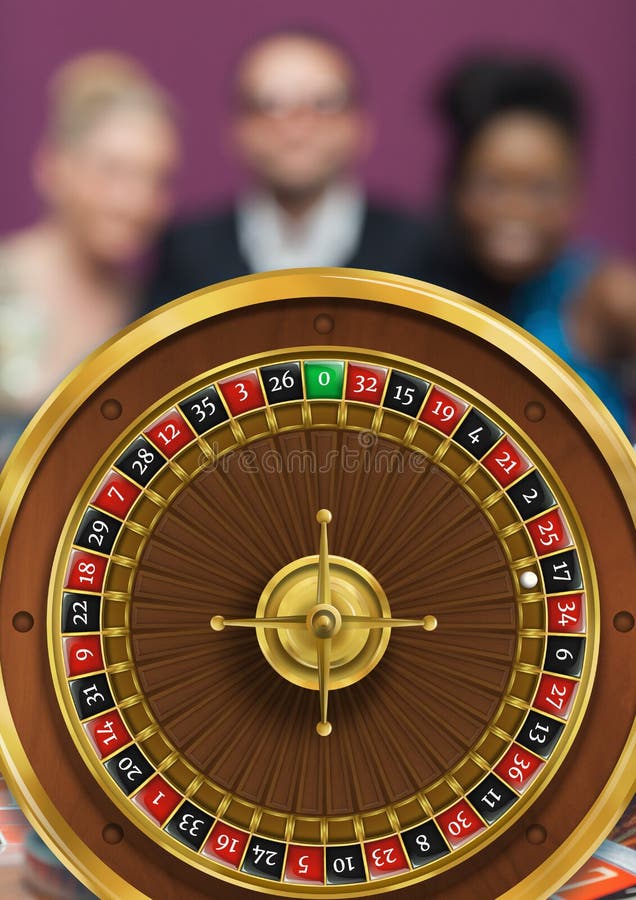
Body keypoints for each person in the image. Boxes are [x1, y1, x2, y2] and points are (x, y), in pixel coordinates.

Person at [419, 55, 636, 436]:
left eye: (542, 189)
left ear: (577, 192)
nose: (517, 210)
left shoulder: (608, 298)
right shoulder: (422, 297)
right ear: (456, 187)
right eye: (493, 185)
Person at [146, 28, 424, 307]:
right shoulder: (186, 252)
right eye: (270, 105)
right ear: (236, 130)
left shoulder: (421, 248)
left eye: (324, 104)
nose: (297, 128)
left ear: (360, 125)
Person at [0, 52, 180, 462]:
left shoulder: (151, 315)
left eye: (157, 178)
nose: (136, 201)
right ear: (52, 168)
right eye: (114, 171)